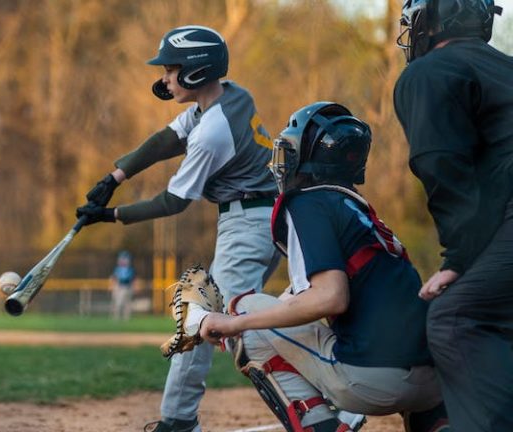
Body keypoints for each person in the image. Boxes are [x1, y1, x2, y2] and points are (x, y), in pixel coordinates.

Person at [76, 25, 280, 432]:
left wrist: (112, 216)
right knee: (219, 319)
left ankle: (179, 421)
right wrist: (114, 177)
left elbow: (174, 202)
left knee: (214, 322)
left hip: (248, 225)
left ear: (194, 72)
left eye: (171, 69)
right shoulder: (230, 95)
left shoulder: (212, 132)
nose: (164, 78)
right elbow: (166, 139)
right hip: (260, 216)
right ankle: (180, 419)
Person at [199, 102, 449, 432]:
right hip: (434, 383)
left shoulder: (309, 201)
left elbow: (330, 298)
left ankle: (322, 426)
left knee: (244, 310)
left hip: (373, 380)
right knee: (272, 313)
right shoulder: (357, 209)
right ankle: (435, 424)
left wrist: (231, 323)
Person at [393, 1, 512, 430]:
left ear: (432, 20)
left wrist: (458, 260)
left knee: (455, 319)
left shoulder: (429, 72)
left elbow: (442, 165)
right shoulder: (504, 68)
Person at [110, 250, 139, 320]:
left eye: (125, 259)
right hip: (119, 287)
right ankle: (116, 317)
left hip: (128, 287)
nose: (124, 261)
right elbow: (113, 278)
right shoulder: (117, 269)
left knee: (127, 304)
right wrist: (112, 286)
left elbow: (134, 279)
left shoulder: (130, 269)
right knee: (118, 304)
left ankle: (126, 318)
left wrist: (135, 287)